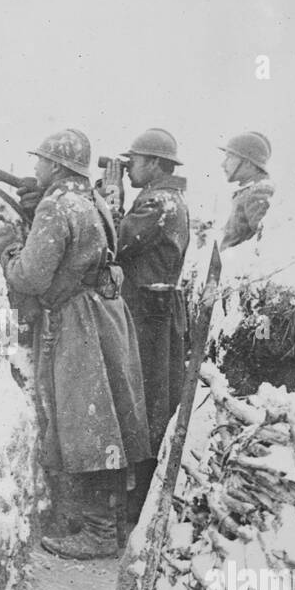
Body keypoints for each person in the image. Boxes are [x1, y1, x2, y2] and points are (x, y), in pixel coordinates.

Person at [0, 127, 151, 560]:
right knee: (106, 420)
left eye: (40, 161)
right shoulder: (92, 200)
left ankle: (97, 533)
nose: (35, 167)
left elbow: (31, 276)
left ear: (56, 166)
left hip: (79, 322)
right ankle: (108, 526)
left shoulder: (56, 206)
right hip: (105, 314)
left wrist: (6, 252)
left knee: (87, 423)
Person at [107, 129, 191, 518]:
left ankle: (137, 505)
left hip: (149, 316)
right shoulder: (170, 199)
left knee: (145, 406)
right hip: (156, 313)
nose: (129, 168)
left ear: (155, 164)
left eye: (135, 161)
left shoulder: (157, 202)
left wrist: (112, 196)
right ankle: (138, 501)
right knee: (152, 404)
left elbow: (115, 243)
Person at [218, 131, 275, 249]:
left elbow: (264, 244)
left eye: (229, 158)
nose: (223, 164)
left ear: (248, 163)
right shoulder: (250, 191)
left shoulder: (260, 192)